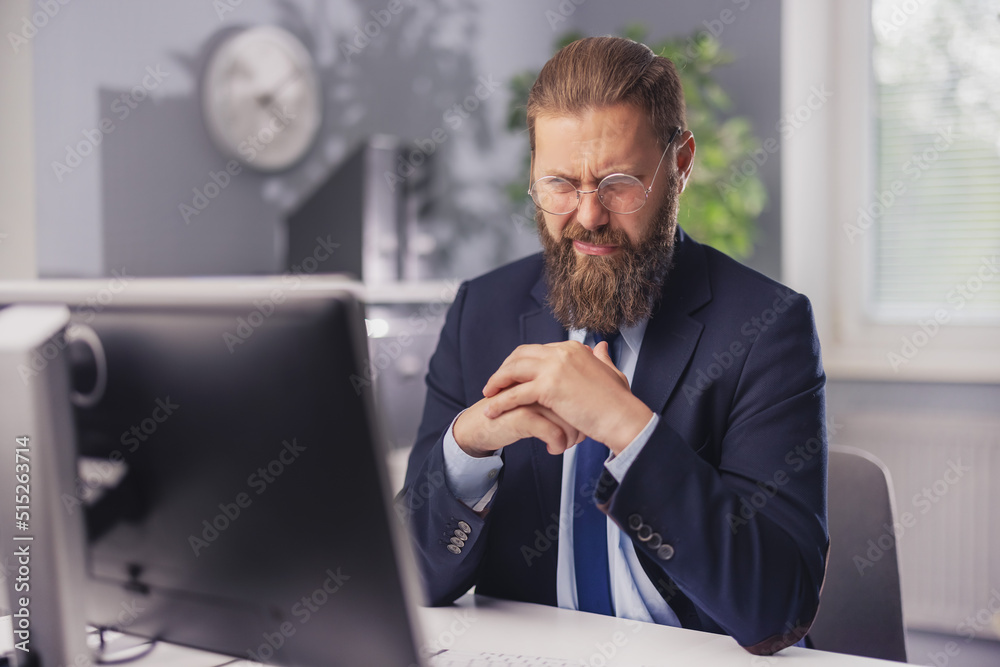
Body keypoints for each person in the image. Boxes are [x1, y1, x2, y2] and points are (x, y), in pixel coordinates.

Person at [399, 36, 828, 656]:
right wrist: (467, 448)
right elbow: (413, 578)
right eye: (559, 183)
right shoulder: (481, 313)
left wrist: (629, 429)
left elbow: (777, 609)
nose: (589, 214)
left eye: (619, 182)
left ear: (679, 164)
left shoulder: (768, 327)